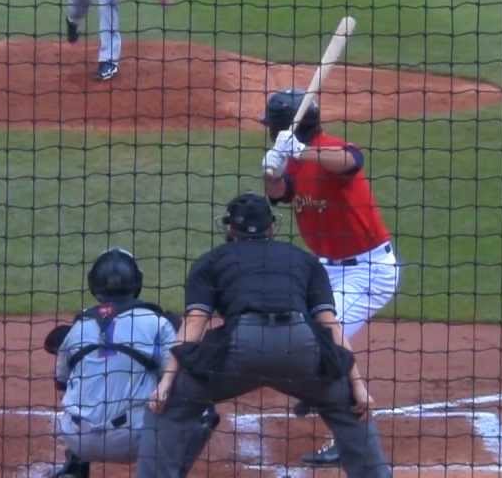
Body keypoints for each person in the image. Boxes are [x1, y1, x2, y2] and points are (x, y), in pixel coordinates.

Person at [136, 193, 394, 478]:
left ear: (230, 229)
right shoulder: (303, 260)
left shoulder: (211, 261)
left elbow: (195, 323)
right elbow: (329, 324)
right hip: (300, 348)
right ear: (272, 227)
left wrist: (167, 383)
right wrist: (356, 385)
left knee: (172, 406)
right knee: (349, 406)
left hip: (239, 351)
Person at [259, 88, 401, 466]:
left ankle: (349, 437)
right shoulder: (291, 159)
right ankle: (317, 378)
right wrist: (271, 171)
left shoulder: (330, 150)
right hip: (324, 270)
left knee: (326, 340)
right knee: (295, 330)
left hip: (367, 271)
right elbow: (279, 194)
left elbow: (351, 161)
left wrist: (301, 151)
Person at [43, 248, 216, 478]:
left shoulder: (78, 326)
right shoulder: (158, 322)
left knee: (81, 384)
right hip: (134, 441)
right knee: (202, 406)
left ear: (93, 284)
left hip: (78, 439)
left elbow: (62, 382)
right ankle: (167, 474)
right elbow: (178, 376)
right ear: (137, 282)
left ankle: (75, 469)